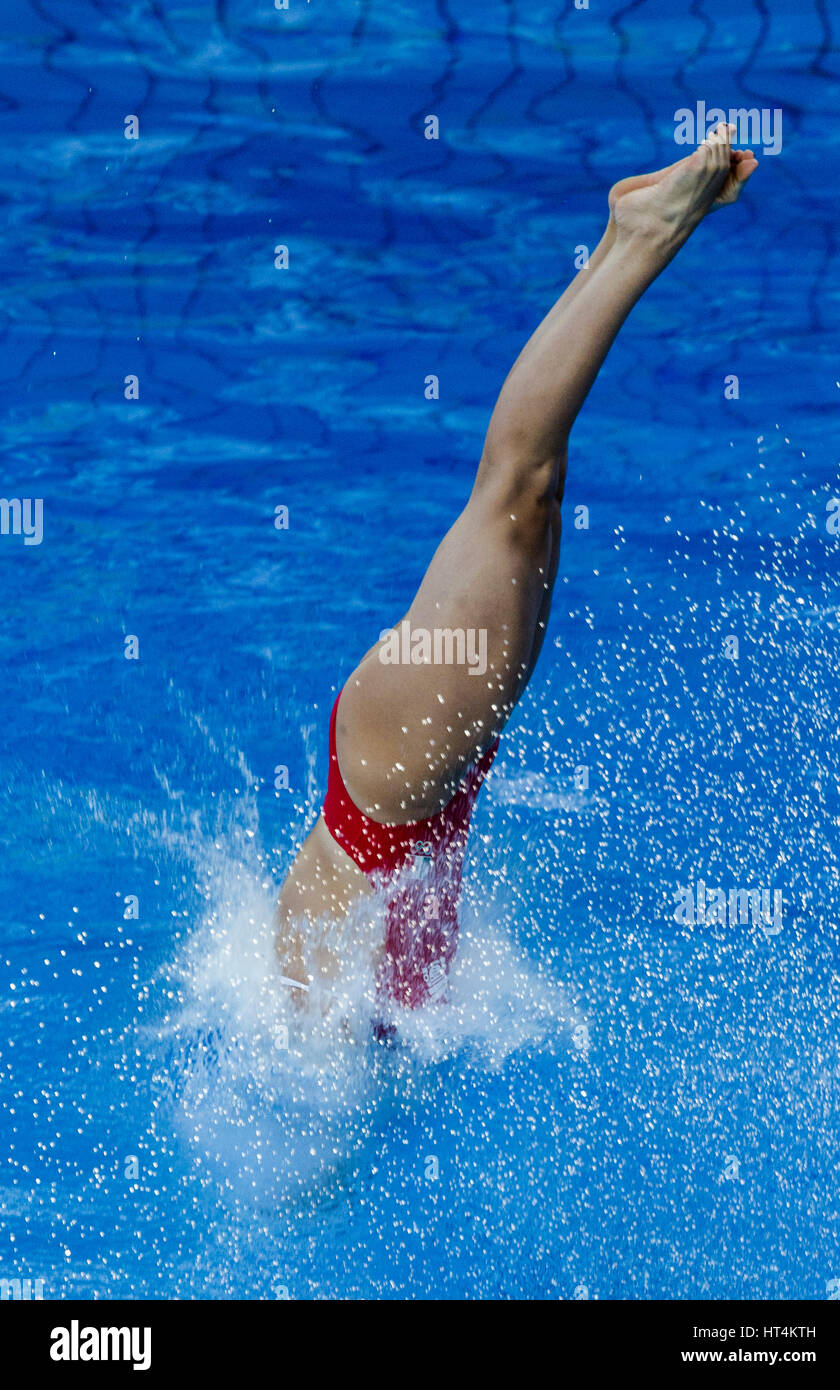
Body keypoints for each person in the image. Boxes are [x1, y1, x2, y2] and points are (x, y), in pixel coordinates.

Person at [276, 123, 758, 1014]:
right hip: (415, 792)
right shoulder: (353, 1026)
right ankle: (626, 236)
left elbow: (319, 1010)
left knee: (518, 490)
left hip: (392, 788)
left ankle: (645, 237)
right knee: (534, 499)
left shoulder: (316, 1035)